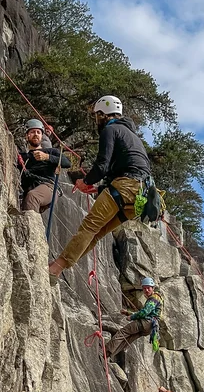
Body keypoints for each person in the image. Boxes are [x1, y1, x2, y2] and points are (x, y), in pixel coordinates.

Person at [48, 95, 152, 278]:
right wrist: (99, 189)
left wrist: (85, 182)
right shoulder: (132, 136)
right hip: (140, 197)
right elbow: (127, 167)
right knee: (96, 234)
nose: (96, 120)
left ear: (103, 114)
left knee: (89, 227)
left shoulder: (111, 130)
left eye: (97, 115)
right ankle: (59, 267)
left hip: (125, 187)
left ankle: (54, 269)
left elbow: (102, 165)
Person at [17, 119, 71, 213]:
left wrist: (47, 157)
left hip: (49, 186)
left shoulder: (51, 152)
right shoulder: (23, 157)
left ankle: (30, 227)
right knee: (30, 200)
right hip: (31, 189)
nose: (36, 134)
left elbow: (67, 163)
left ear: (42, 136)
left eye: (38, 132)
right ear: (27, 136)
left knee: (32, 197)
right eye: (32, 132)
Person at [105, 277, 163, 360]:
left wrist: (131, 317)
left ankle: (106, 349)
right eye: (144, 288)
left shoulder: (153, 298)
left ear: (153, 288)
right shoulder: (157, 298)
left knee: (123, 332)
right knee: (127, 339)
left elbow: (144, 312)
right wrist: (128, 313)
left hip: (146, 323)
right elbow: (146, 312)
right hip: (150, 327)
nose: (146, 290)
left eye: (148, 288)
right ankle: (109, 354)